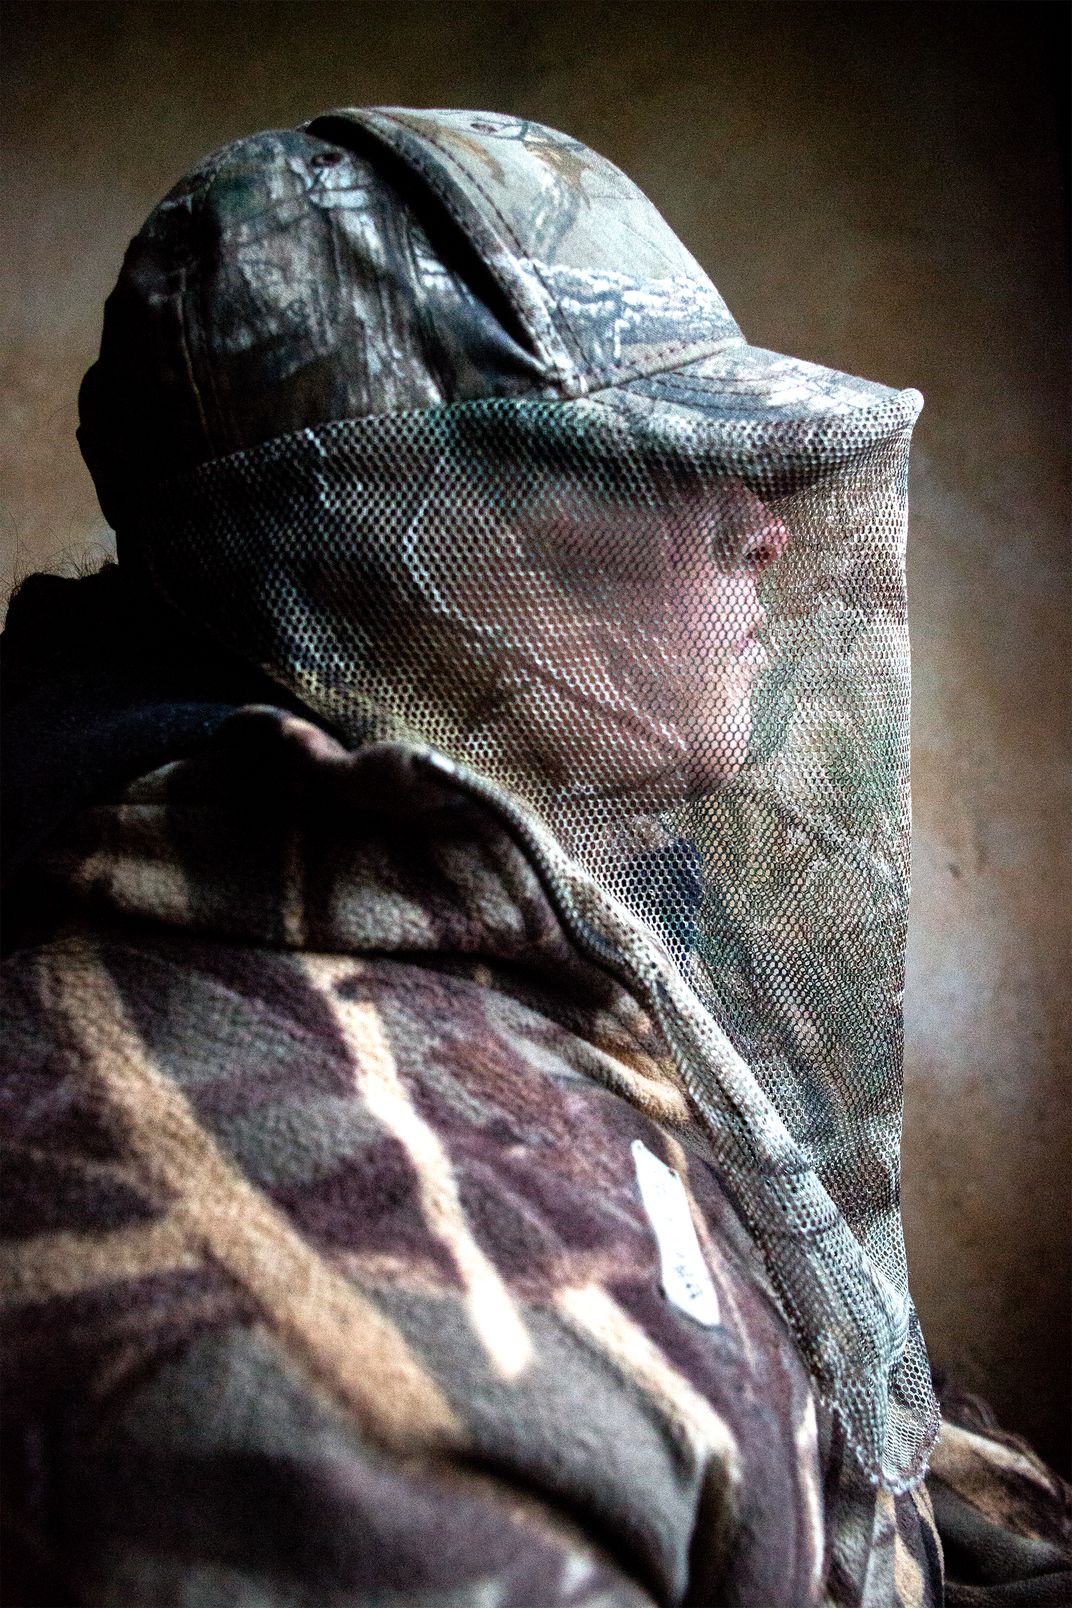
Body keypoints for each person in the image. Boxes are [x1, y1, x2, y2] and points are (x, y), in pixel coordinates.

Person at [3, 108, 1069, 1608]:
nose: (760, 524)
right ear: (401, 530)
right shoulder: (332, 1308)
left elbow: (851, 1455)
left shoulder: (569, 919)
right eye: (653, 453)